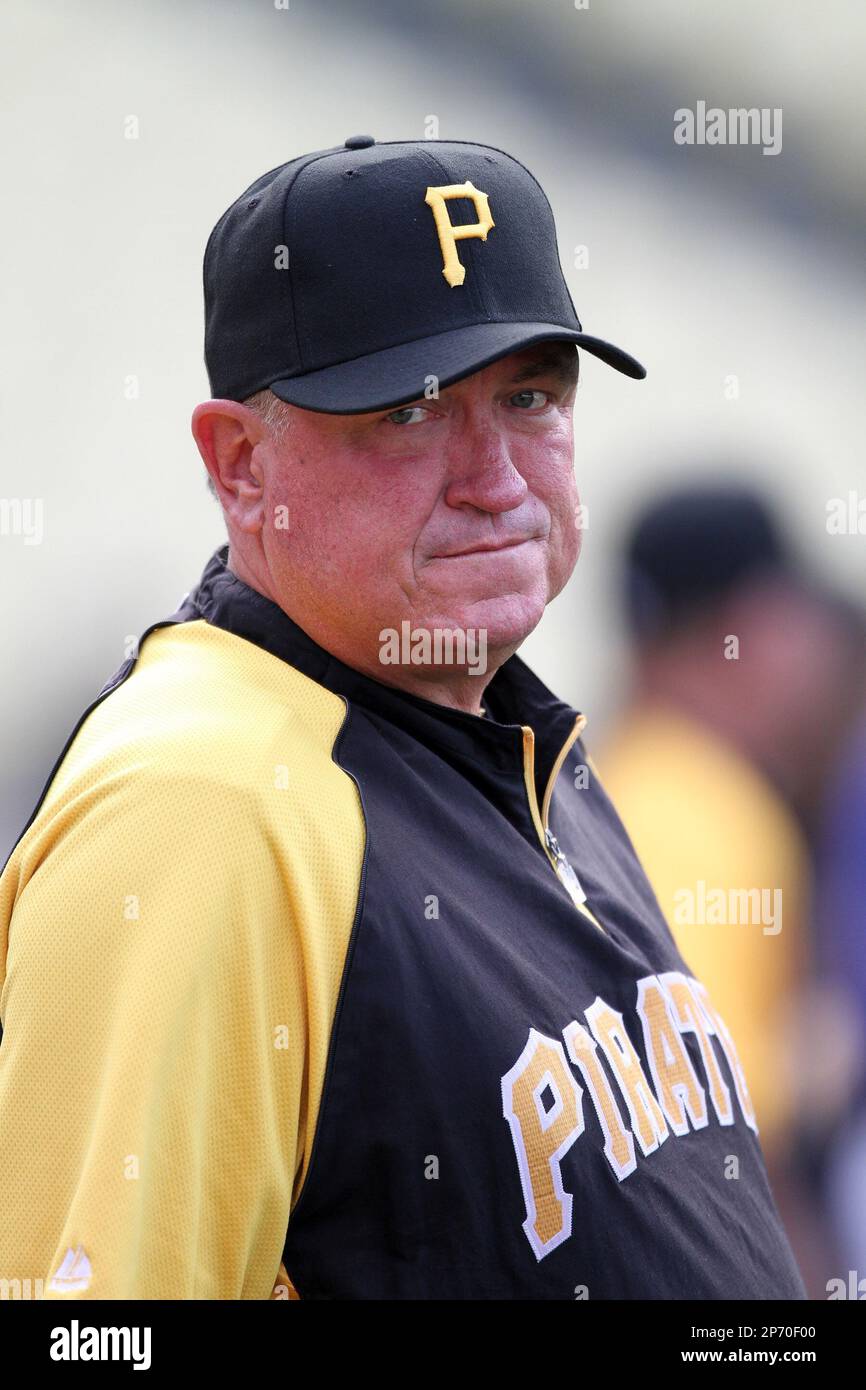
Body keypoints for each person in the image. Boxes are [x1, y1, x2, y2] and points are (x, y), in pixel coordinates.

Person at [0, 137, 806, 1300]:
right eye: (410, 415)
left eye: (529, 396)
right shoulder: (205, 802)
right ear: (238, 465)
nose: (495, 477)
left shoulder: (509, 740)